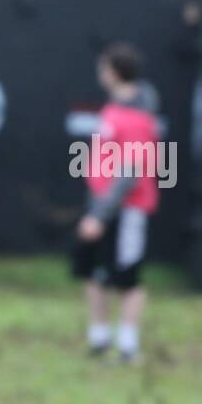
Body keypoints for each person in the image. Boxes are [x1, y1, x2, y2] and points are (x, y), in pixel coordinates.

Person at [73, 42, 161, 363]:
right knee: (93, 273)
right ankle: (99, 340)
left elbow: (130, 172)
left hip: (125, 210)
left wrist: (100, 214)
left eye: (104, 68)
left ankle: (128, 346)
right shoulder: (113, 108)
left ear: (115, 72)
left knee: (128, 278)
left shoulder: (138, 116)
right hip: (101, 206)